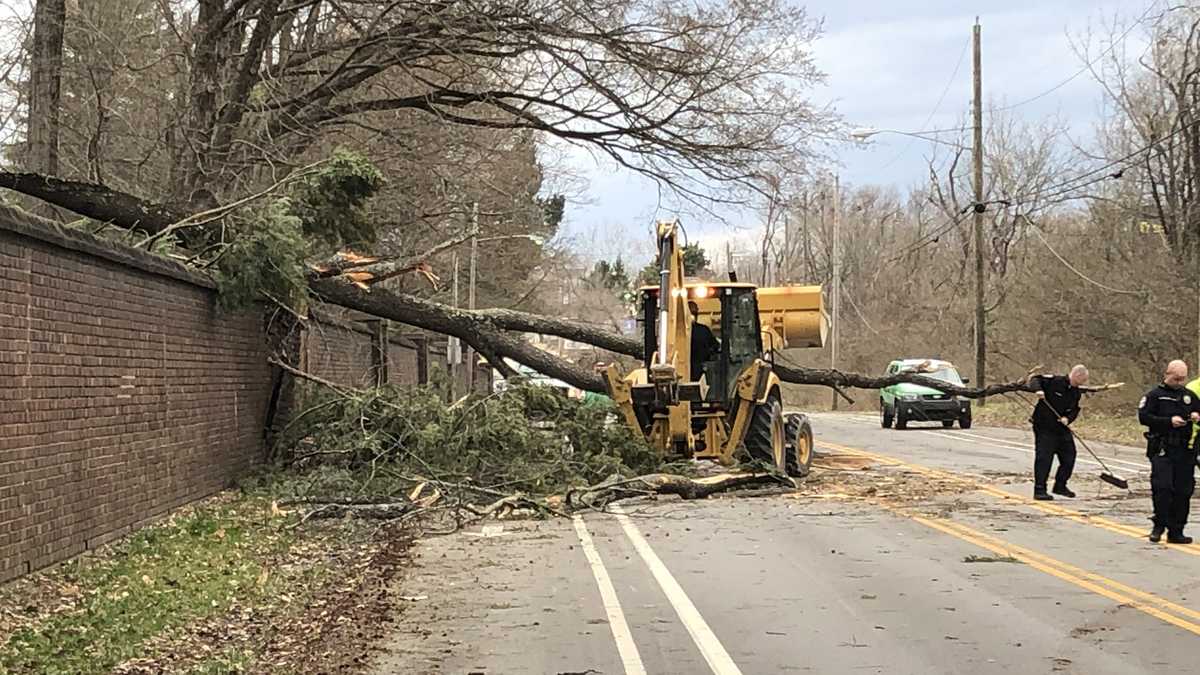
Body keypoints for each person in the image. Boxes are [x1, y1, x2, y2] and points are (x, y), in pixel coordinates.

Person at [1138, 360, 1200, 544]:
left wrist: (1196, 417)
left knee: (1183, 491)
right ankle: (1159, 525)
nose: (1179, 382)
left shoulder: (1189, 396)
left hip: (1184, 450)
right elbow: (1144, 417)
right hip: (1162, 448)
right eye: (1176, 378)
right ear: (1167, 374)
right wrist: (1168, 421)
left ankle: (1176, 530)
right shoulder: (1155, 395)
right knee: (1163, 488)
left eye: (1182, 379)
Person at [1030, 365, 1089, 500]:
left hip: (1061, 428)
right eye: (1083, 380)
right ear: (1076, 375)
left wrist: (1068, 419)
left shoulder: (1076, 392)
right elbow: (1035, 379)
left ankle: (1060, 486)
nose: (1084, 383)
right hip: (1044, 426)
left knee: (1069, 456)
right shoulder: (1055, 381)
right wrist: (1038, 390)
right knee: (1045, 458)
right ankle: (1039, 490)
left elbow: (1075, 410)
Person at [688, 301, 720, 383]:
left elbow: (715, 346)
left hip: (699, 369)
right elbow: (715, 346)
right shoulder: (703, 330)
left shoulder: (703, 330)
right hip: (701, 370)